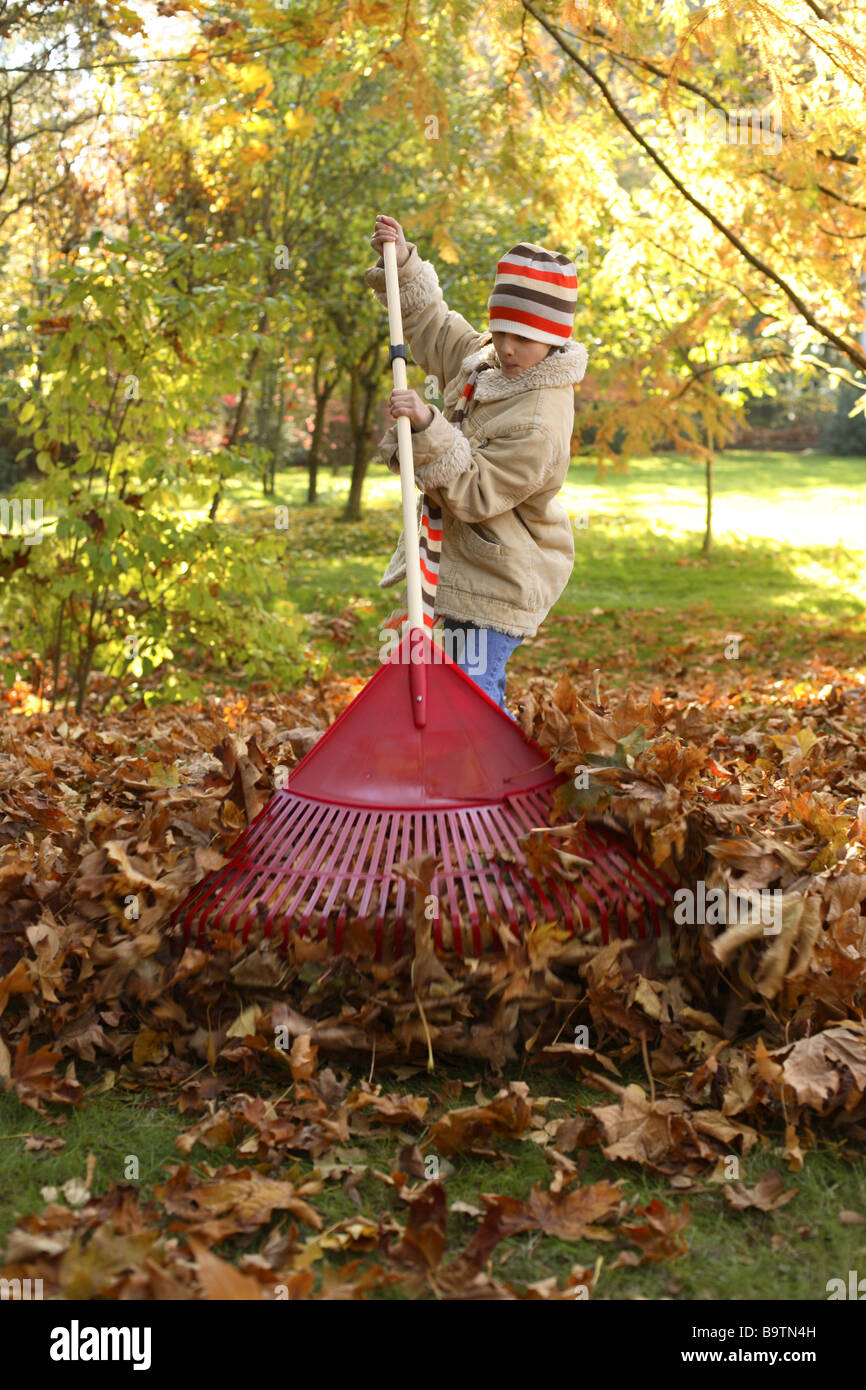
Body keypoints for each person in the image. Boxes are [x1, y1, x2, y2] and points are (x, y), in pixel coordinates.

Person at [365, 213, 588, 712]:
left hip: (505, 571)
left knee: (472, 686)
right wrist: (402, 266)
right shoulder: (489, 361)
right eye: (500, 329)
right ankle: (456, 766)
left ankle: (485, 775)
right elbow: (436, 330)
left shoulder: (539, 421)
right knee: (447, 681)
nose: (506, 347)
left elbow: (477, 490)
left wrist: (427, 426)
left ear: (554, 340)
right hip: (468, 566)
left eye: (523, 338)